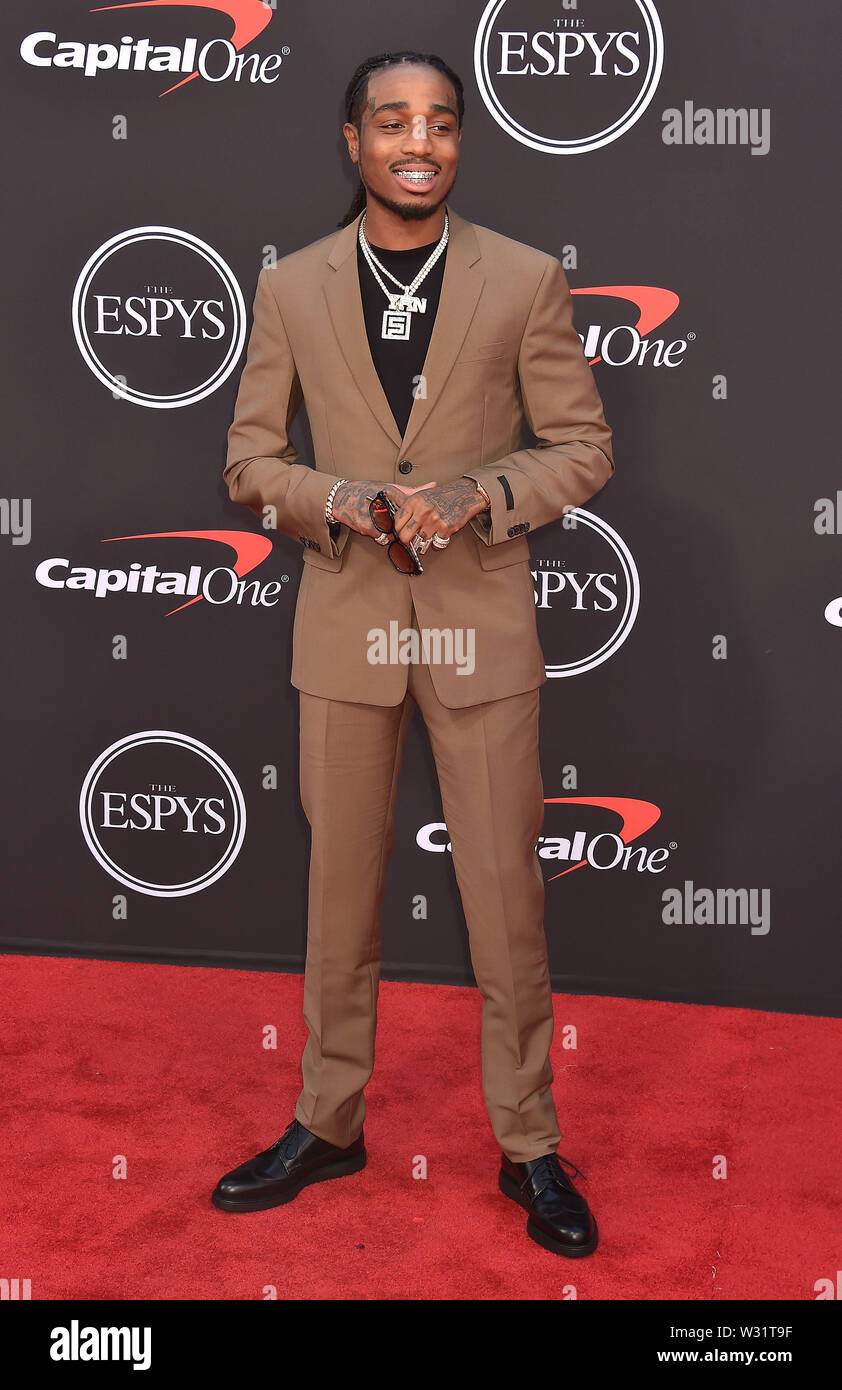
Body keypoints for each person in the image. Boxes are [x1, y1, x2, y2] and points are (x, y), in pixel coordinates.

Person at [213, 50, 614, 1258]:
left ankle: (528, 1143)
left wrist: (482, 491)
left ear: (459, 141)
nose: (417, 142)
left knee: (504, 902)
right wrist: (336, 499)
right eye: (392, 121)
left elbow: (582, 446)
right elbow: (248, 463)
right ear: (354, 142)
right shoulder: (290, 285)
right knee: (337, 902)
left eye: (438, 121)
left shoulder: (524, 278)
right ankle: (326, 1120)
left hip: (477, 628)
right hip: (345, 627)